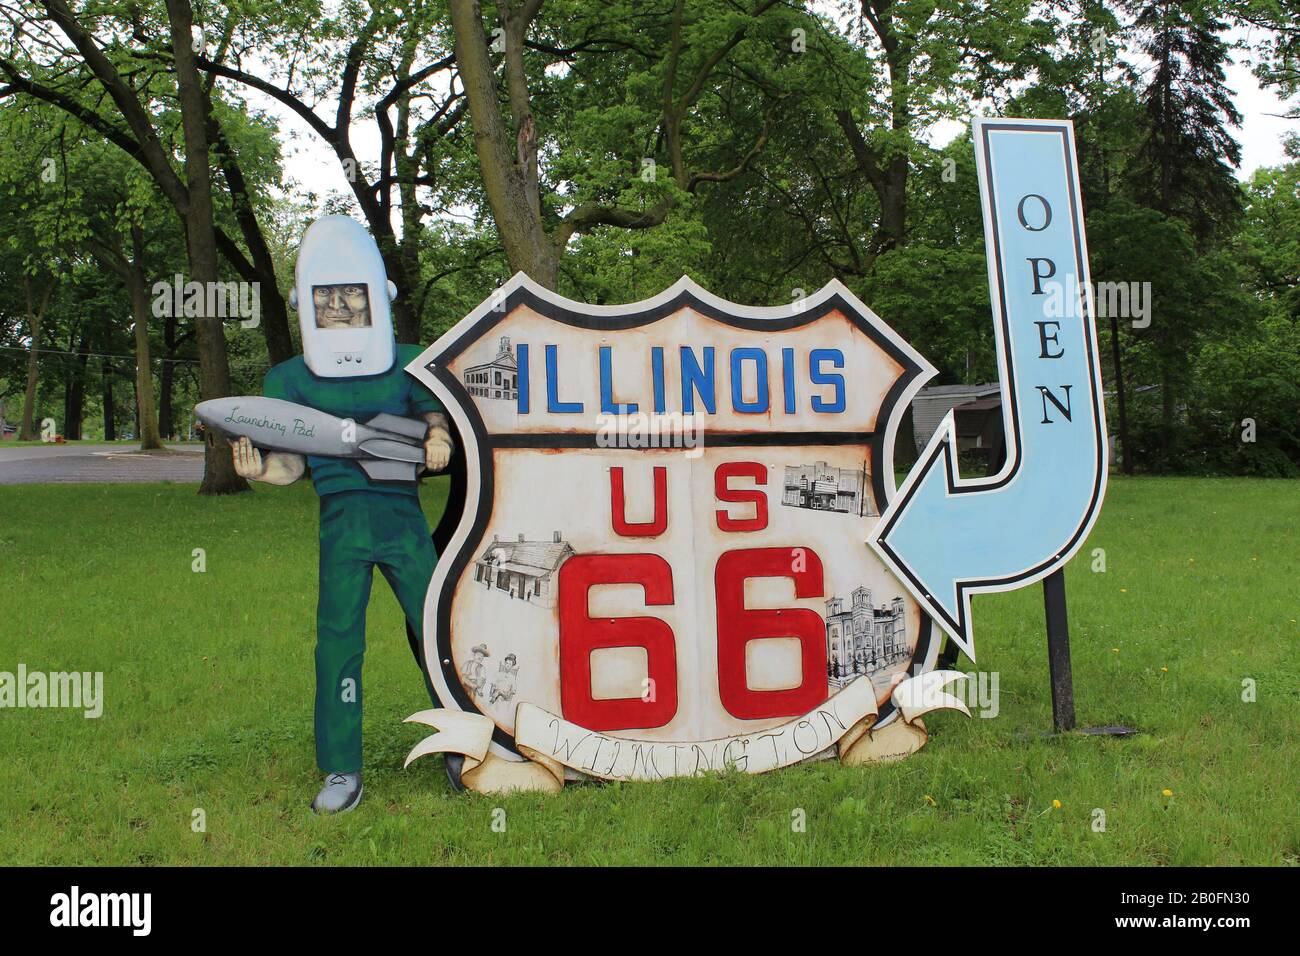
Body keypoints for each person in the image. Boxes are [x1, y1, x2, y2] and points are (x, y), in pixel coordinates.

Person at [230, 216, 453, 814]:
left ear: (376, 294)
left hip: (403, 521)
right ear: (305, 301)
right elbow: (292, 466)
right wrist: (258, 472)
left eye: (351, 291)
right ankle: (340, 768)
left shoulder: (409, 361)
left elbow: (440, 426)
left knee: (443, 629)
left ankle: (469, 740)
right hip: (342, 527)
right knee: (337, 644)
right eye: (327, 295)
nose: (339, 304)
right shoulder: (289, 380)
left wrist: (438, 439)